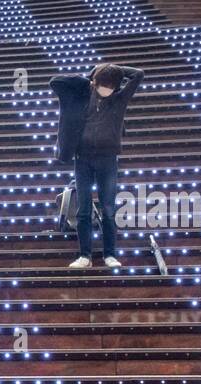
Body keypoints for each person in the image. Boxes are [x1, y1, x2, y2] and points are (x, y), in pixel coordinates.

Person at [49, 63, 144, 268]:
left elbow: (138, 74)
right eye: (102, 85)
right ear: (95, 83)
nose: (106, 91)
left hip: (108, 159)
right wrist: (91, 76)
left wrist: (110, 68)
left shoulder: (120, 99)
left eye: (110, 86)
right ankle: (85, 256)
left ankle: (110, 254)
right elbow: (55, 82)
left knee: (108, 209)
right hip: (82, 158)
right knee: (83, 209)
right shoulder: (84, 95)